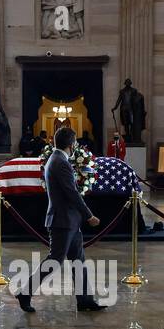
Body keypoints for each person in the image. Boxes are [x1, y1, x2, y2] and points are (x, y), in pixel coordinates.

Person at [15, 125, 103, 313]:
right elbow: (72, 193)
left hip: (68, 220)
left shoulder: (56, 159)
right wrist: (89, 215)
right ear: (71, 144)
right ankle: (25, 292)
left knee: (78, 261)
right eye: (75, 142)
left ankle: (85, 300)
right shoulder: (60, 162)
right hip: (62, 221)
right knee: (54, 261)